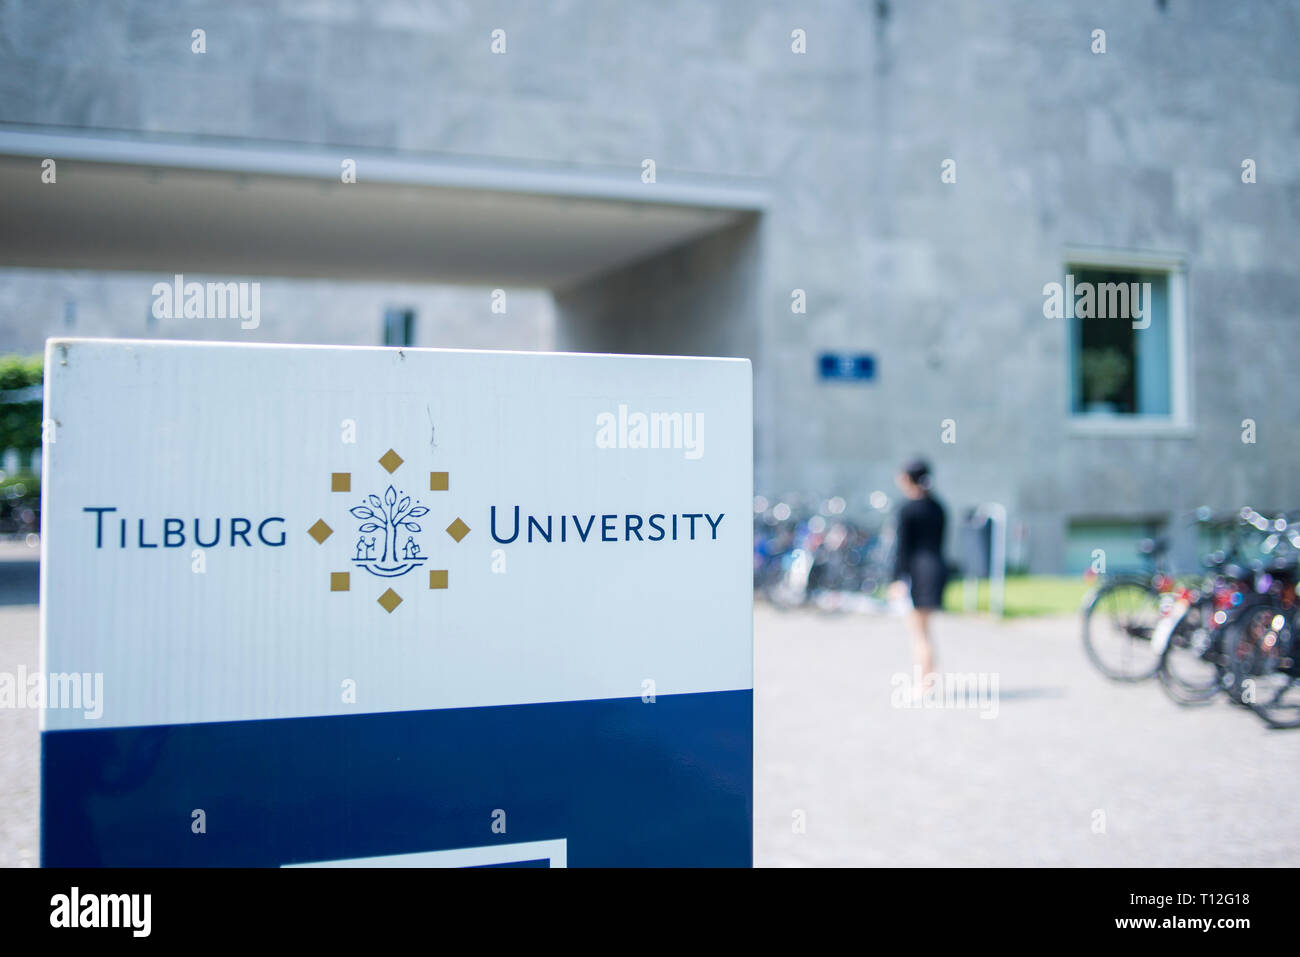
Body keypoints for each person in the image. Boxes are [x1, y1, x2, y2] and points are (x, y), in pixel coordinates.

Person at [888, 458, 947, 693]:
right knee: (926, 630)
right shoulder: (938, 506)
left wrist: (897, 578)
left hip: (917, 572)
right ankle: (928, 680)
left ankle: (924, 683)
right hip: (936, 568)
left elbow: (902, 548)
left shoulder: (908, 508)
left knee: (918, 632)